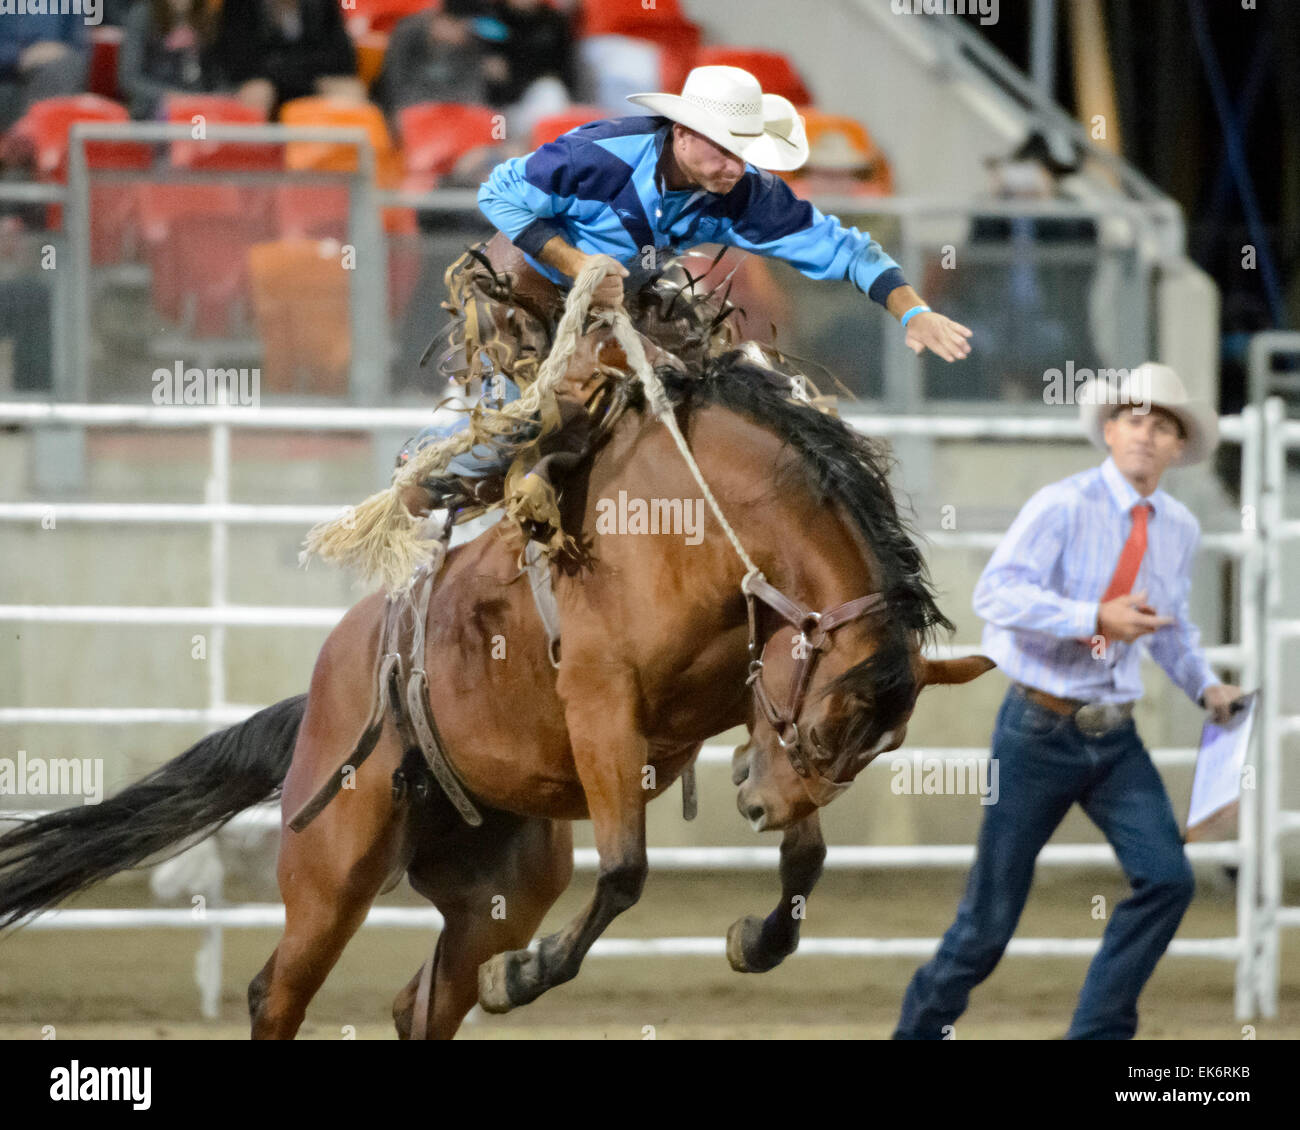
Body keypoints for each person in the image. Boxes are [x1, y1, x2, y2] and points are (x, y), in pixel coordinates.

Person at [400, 64, 971, 487]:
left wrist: (912, 310)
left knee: (706, 393)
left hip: (620, 300)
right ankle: (421, 467)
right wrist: (577, 267)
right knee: (513, 426)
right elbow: (498, 192)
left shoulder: (742, 193)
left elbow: (841, 246)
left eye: (743, 152)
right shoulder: (602, 156)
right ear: (682, 132)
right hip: (517, 295)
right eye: (723, 150)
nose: (734, 167)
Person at [893, 362, 1245, 1041]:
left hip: (1114, 737)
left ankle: (1097, 1035)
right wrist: (1093, 616)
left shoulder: (1177, 527)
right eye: (1134, 418)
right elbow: (995, 595)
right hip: (1037, 728)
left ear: (1177, 447)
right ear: (1110, 432)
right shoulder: (1062, 505)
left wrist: (1207, 687)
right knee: (987, 925)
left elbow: (1168, 625)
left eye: (1162, 424)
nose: (1146, 432)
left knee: (1168, 880)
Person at [209, 0, 357, 117]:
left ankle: (331, 153)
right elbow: (238, 60)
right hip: (263, 79)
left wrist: (292, 71)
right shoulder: (240, 5)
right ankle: (250, 152)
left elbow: (342, 58)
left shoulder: (322, 5)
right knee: (257, 93)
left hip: (310, 78)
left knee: (349, 92)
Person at [119, 0, 217, 120]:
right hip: (151, 110)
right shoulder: (143, 14)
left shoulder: (206, 17)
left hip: (200, 108)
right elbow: (129, 79)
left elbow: (216, 78)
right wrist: (170, 96)